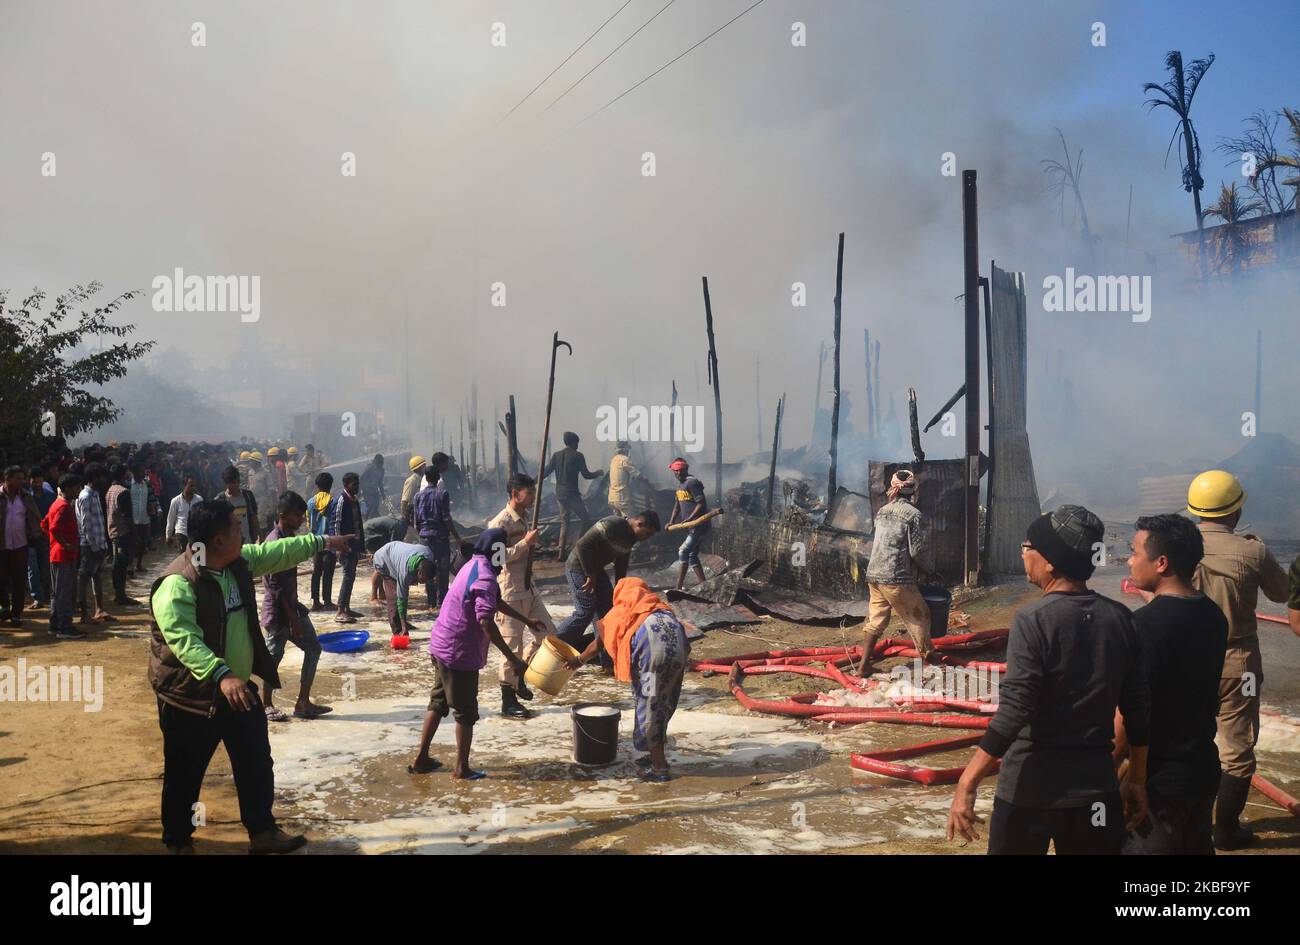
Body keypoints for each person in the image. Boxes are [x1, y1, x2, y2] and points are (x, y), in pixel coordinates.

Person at [148, 496, 354, 854]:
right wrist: (221, 674)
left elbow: (278, 552)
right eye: (236, 528)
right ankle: (178, 842)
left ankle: (262, 833)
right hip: (191, 697)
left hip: (237, 690)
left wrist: (322, 542)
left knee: (256, 762)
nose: (244, 534)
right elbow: (184, 640)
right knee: (184, 774)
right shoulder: (178, 583)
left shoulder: (235, 564)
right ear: (217, 540)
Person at [947, 505, 1151, 855]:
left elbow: (1016, 709)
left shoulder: (1033, 619)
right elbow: (1138, 709)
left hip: (1029, 791)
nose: (1024, 555)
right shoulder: (1121, 618)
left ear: (1051, 560)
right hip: (1095, 793)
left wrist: (968, 781)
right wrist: (1136, 779)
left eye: (1028, 546)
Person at [1184, 470, 1292, 850]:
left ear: (1194, 509)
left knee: (1183, 736)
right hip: (1237, 662)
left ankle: (1182, 821)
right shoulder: (1252, 550)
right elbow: (1282, 594)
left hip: (1184, 661)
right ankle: (1226, 831)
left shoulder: (1178, 545)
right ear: (1236, 509)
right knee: (1237, 746)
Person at [1116, 514, 1226, 855]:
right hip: (1203, 769)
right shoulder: (1213, 616)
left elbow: (1131, 711)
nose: (1129, 561)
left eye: (1135, 553)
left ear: (1161, 562)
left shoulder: (1142, 626)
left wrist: (1120, 770)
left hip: (1159, 780)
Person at [408, 529, 545, 779]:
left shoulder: (472, 566)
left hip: (440, 645)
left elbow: (495, 602)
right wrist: (513, 659)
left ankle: (421, 759)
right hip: (458, 652)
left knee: (438, 703)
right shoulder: (486, 577)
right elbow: (485, 621)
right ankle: (461, 768)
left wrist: (526, 619)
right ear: (497, 554)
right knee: (466, 712)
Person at [568, 577, 690, 781]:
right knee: (664, 702)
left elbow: (598, 644)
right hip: (679, 654)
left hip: (653, 660)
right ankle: (654, 752)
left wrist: (578, 661)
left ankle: (659, 768)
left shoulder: (620, 612)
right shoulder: (660, 607)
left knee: (650, 704)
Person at [487, 473, 554, 719]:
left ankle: (521, 673)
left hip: (529, 588)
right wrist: (525, 544)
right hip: (510, 592)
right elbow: (495, 559)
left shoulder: (525, 518)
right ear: (515, 494)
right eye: (529, 492)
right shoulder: (499, 524)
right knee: (511, 647)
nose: (534, 497)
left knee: (548, 635)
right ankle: (508, 701)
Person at [260, 491, 330, 721]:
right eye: (298, 516)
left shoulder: (290, 539)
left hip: (292, 607)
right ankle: (266, 703)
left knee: (313, 648)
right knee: (273, 657)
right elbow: (275, 586)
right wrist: (292, 619)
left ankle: (303, 702)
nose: (301, 520)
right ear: (283, 516)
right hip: (279, 612)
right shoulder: (274, 543)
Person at [555, 510, 662, 660]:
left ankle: (606, 660)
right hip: (578, 567)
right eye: (647, 533)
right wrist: (590, 575)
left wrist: (620, 590)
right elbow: (582, 546)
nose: (647, 538)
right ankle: (554, 647)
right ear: (640, 524)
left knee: (608, 613)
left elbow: (621, 564)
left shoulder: (631, 538)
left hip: (596, 570)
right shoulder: (613, 524)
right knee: (585, 611)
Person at [858, 469, 936, 672]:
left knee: (876, 620)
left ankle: (864, 665)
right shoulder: (913, 514)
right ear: (913, 492)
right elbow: (917, 551)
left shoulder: (883, 511)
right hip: (896, 577)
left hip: (874, 574)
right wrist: (930, 569)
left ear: (894, 488)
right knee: (920, 616)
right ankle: (928, 662)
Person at [543, 432, 600, 560]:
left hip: (560, 494)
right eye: (577, 443)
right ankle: (577, 548)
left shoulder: (556, 455)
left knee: (565, 522)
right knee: (586, 519)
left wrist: (534, 480)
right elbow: (586, 475)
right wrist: (598, 473)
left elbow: (546, 471)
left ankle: (561, 553)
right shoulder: (578, 456)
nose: (577, 445)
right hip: (572, 494)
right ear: (573, 442)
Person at [41, 473, 84, 640]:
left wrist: (54, 542)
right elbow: (53, 528)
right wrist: (63, 543)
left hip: (57, 554)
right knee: (64, 592)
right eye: (77, 488)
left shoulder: (56, 504)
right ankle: (65, 627)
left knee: (57, 592)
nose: (79, 490)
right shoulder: (64, 506)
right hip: (63, 555)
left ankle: (54, 624)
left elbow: (44, 524)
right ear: (68, 489)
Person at [1, 465, 43, 628]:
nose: (22, 481)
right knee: (1, 579)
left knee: (19, 581)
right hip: (2, 546)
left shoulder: (25, 497)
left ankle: (16, 614)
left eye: (22, 478)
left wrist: (36, 535)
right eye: (18, 478)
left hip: (20, 545)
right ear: (8, 479)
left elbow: (34, 518)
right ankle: (5, 606)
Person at [413, 465, 459, 614]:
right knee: (443, 571)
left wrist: (422, 534)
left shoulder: (418, 496)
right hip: (441, 538)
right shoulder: (442, 494)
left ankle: (431, 603)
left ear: (426, 478)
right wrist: (457, 537)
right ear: (438, 477)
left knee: (428, 570)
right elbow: (446, 518)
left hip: (425, 538)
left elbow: (416, 522)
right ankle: (442, 603)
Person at [371, 539, 435, 638]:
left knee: (402, 591)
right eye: (423, 580)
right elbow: (402, 600)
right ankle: (397, 630)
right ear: (418, 572)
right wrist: (404, 626)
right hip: (383, 560)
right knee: (394, 597)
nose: (424, 583)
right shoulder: (404, 573)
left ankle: (402, 622)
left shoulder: (429, 556)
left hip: (397, 552)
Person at [76, 463, 114, 625]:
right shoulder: (85, 497)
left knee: (97, 577)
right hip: (90, 545)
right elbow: (86, 525)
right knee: (84, 578)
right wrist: (94, 547)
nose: (103, 480)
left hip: (99, 543)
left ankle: (99, 609)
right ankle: (84, 613)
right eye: (100, 477)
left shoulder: (95, 494)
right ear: (93, 478)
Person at [665, 457, 711, 589]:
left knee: (683, 551)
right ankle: (705, 584)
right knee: (692, 556)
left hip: (699, 525)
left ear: (686, 469)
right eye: (676, 471)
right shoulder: (680, 486)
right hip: (692, 526)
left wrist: (691, 518)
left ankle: (678, 587)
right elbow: (677, 506)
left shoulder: (692, 483)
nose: (678, 473)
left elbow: (701, 504)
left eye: (680, 470)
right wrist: (671, 522)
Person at [330, 471, 366, 622]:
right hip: (345, 546)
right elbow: (335, 524)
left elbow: (359, 524)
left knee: (351, 575)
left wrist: (361, 545)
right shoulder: (341, 500)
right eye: (354, 484)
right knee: (347, 575)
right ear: (346, 485)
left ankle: (347, 607)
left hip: (354, 544)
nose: (357, 487)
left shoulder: (355, 500)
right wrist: (339, 546)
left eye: (357, 483)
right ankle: (340, 610)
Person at [105, 463, 139, 606]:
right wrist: (136, 535)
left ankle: (118, 593)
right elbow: (128, 516)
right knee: (121, 564)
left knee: (117, 563)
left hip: (113, 531)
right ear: (123, 474)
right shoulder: (123, 492)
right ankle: (121, 595)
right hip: (123, 532)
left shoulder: (110, 490)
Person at [26, 467, 55, 609]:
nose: (37, 484)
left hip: (45, 537)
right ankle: (37, 597)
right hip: (29, 537)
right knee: (33, 569)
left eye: (39, 481)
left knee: (45, 567)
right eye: (34, 481)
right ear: (29, 481)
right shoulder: (25, 496)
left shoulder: (50, 495)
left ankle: (46, 594)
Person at [307, 472, 335, 611]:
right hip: (330, 541)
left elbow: (309, 523)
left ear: (317, 486)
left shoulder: (311, 502)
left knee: (316, 572)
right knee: (328, 572)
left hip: (316, 541)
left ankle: (315, 602)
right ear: (331, 485)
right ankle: (328, 601)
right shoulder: (332, 501)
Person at [219, 464, 260, 547]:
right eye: (233, 483)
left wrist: (259, 535)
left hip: (249, 543)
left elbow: (254, 518)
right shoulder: (220, 500)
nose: (236, 485)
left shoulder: (247, 496)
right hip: (230, 546)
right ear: (226, 483)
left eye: (238, 481)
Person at [165, 474, 202, 552]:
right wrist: (168, 536)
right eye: (191, 485)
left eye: (194, 486)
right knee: (183, 558)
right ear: (184, 485)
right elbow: (171, 519)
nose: (193, 488)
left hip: (196, 534)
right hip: (181, 533)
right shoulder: (175, 501)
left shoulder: (199, 500)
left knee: (198, 561)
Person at [129, 463, 155, 574]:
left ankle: (139, 564)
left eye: (144, 471)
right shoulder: (128, 485)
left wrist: (155, 510)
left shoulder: (147, 484)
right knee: (131, 544)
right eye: (141, 471)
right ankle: (130, 566)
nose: (143, 473)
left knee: (142, 544)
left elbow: (152, 499)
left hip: (145, 518)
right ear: (134, 472)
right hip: (132, 519)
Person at [606, 441, 644, 516]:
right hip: (621, 498)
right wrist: (647, 480)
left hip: (612, 498)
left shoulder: (614, 459)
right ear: (626, 450)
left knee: (618, 523)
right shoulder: (625, 459)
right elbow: (638, 475)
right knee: (631, 521)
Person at [400, 455, 426, 535]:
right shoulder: (412, 481)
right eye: (423, 466)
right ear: (418, 468)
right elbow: (404, 501)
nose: (425, 467)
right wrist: (405, 519)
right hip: (414, 512)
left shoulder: (423, 479)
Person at [360, 453, 385, 518]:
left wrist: (383, 495)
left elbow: (380, 483)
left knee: (376, 506)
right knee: (372, 506)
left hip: (375, 492)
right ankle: (368, 519)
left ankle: (374, 518)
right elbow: (362, 480)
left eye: (381, 463)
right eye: (378, 463)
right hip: (367, 492)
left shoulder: (382, 470)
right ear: (375, 462)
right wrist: (359, 491)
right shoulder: (369, 468)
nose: (379, 464)